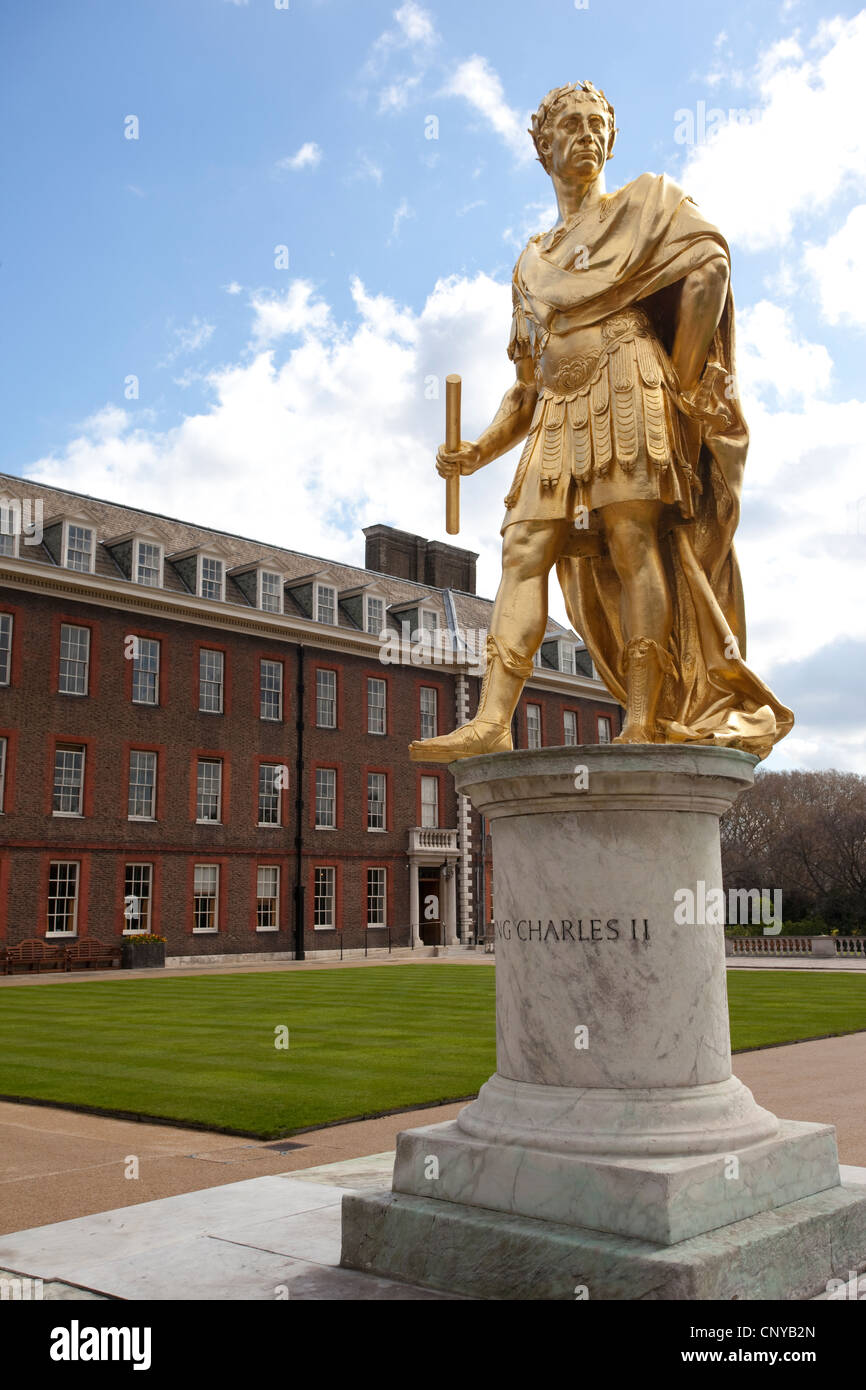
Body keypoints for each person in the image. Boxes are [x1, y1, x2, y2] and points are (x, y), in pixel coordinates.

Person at [410, 80, 792, 763]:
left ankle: (642, 717)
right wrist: (478, 451)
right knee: (522, 547)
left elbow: (710, 269)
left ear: (611, 140)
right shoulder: (530, 263)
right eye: (571, 126)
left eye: (597, 125)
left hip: (628, 380)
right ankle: (493, 719)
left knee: (631, 540)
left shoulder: (649, 204)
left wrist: (680, 381)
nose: (586, 135)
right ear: (543, 146)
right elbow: (525, 388)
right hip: (557, 406)